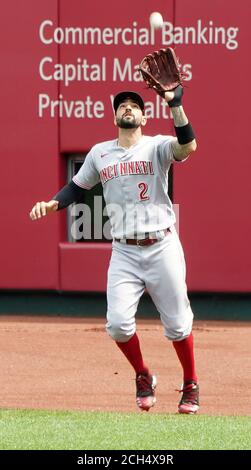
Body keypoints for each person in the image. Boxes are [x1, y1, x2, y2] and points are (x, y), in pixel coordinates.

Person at [29, 85, 199, 414]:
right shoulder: (100, 153)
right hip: (124, 250)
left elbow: (188, 145)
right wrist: (53, 204)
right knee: (118, 324)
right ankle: (143, 375)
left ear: (144, 117)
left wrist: (176, 105)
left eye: (135, 105)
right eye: (123, 105)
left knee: (178, 324)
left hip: (161, 244)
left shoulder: (157, 146)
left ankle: (191, 382)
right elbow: (77, 188)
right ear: (115, 117)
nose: (128, 108)